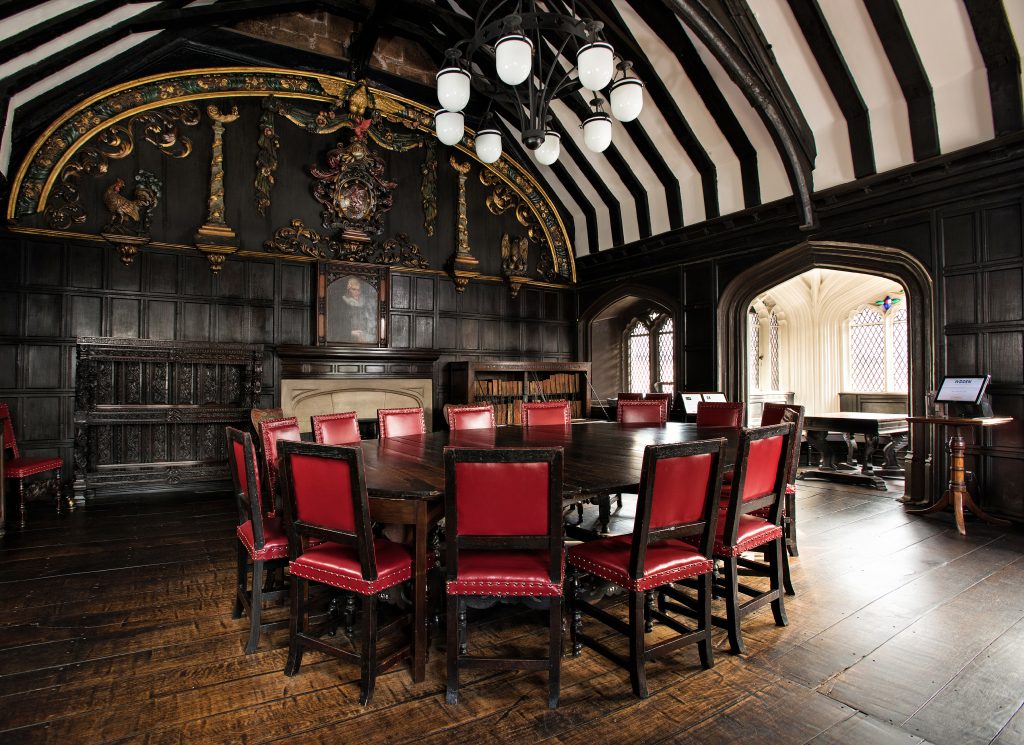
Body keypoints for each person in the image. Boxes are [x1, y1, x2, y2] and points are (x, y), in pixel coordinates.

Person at [329, 275, 377, 343]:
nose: (357, 292)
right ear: (348, 290)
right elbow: (335, 325)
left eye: (358, 289)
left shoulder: (366, 302)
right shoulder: (341, 303)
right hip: (348, 338)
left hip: (365, 336)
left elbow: (371, 321)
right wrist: (350, 332)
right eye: (354, 289)